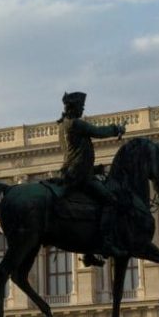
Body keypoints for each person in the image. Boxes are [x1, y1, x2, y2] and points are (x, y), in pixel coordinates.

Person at [54, 91, 126, 264]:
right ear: (75, 107)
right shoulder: (76, 124)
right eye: (81, 106)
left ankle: (88, 252)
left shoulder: (63, 126)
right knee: (110, 201)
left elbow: (75, 154)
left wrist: (94, 169)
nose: (83, 109)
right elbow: (98, 132)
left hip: (73, 172)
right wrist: (117, 129)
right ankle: (106, 244)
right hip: (80, 176)